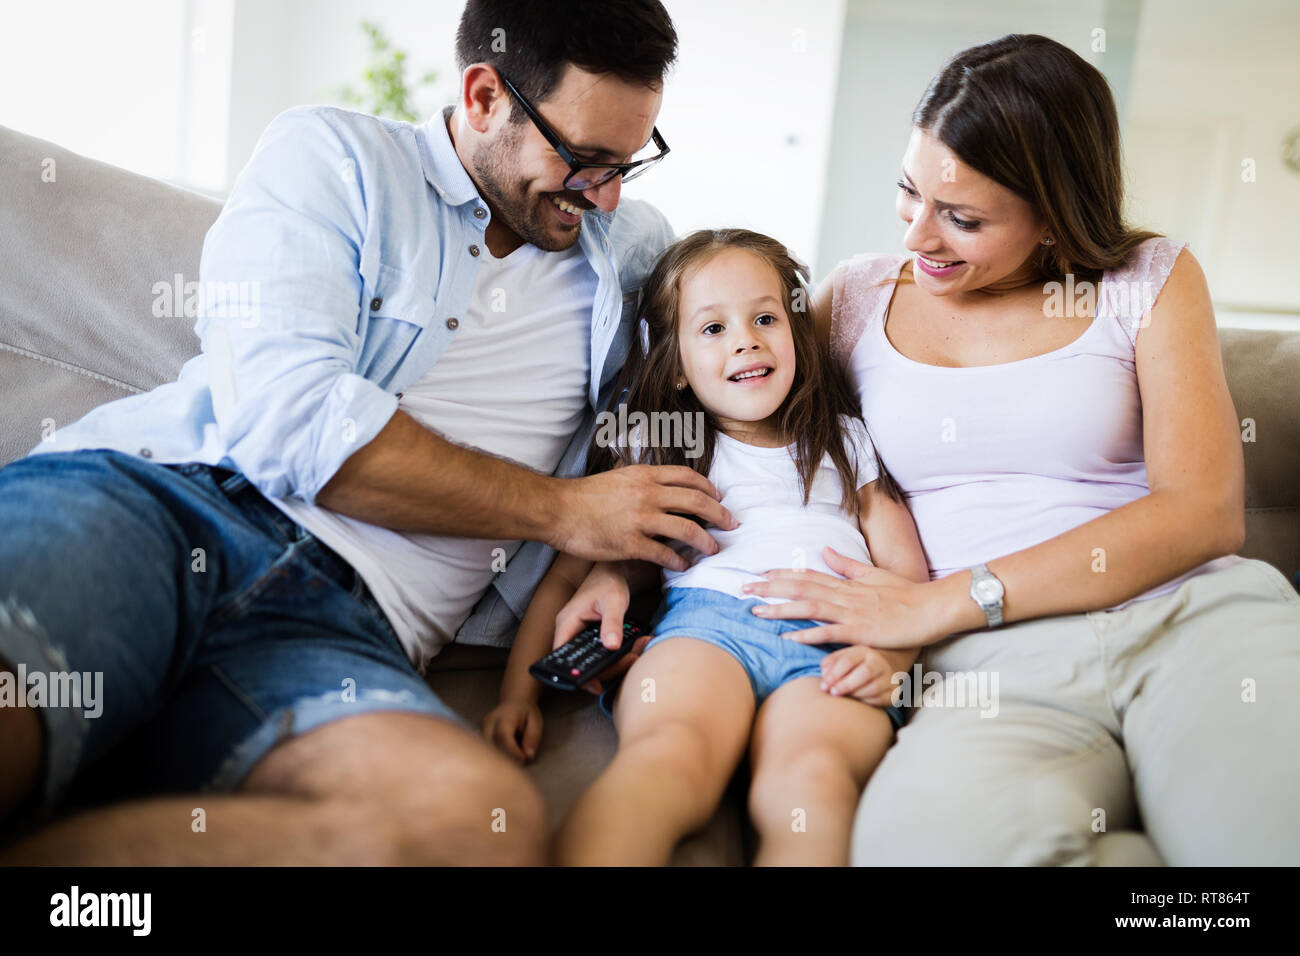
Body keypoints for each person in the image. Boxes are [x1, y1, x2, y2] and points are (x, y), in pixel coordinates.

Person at [0, 0, 729, 865]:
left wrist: (609, 558)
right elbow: (292, 422)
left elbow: (687, 404)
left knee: (475, 830)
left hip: (344, 634)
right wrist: (565, 512)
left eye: (628, 162)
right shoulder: (337, 157)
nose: (604, 194)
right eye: (583, 159)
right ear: (486, 94)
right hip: (160, 507)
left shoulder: (635, 245)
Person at [743, 34, 1300, 865]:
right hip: (992, 668)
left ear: (1053, 213)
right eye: (909, 192)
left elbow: (1204, 513)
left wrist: (940, 602)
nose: (919, 238)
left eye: (962, 218)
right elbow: (744, 444)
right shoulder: (854, 299)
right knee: (917, 850)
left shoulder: (1149, 278)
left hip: (1191, 622)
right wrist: (612, 572)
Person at [485, 229, 930, 866]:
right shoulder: (660, 448)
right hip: (704, 633)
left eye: (765, 317)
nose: (746, 338)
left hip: (836, 637)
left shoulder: (844, 438)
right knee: (667, 758)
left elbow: (906, 572)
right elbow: (567, 577)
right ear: (678, 367)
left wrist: (893, 655)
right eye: (712, 329)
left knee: (813, 780)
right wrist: (516, 696)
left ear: (797, 331)